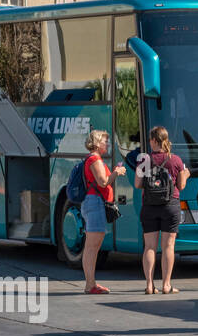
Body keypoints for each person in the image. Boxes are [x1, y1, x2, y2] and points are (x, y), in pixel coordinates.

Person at [136, 126, 189, 295]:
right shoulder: (176, 160)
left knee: (150, 247)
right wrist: (186, 174)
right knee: (168, 246)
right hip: (170, 205)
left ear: (153, 140)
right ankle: (167, 285)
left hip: (149, 205)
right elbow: (180, 186)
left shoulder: (143, 159)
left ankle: (150, 285)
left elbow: (138, 184)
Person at [79, 130, 126, 294]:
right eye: (105, 141)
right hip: (95, 203)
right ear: (98, 143)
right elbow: (103, 182)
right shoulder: (95, 159)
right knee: (92, 246)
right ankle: (90, 285)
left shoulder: (94, 159)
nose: (107, 144)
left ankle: (90, 284)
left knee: (92, 246)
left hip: (93, 203)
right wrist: (117, 173)